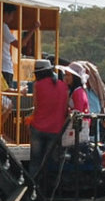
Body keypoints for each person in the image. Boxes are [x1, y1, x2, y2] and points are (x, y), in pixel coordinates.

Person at [28, 58, 72, 187]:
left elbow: (35, 104)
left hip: (38, 128)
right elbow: (65, 107)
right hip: (56, 129)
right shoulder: (64, 86)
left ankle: (33, 188)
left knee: (35, 161)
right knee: (49, 162)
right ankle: (49, 189)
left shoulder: (37, 85)